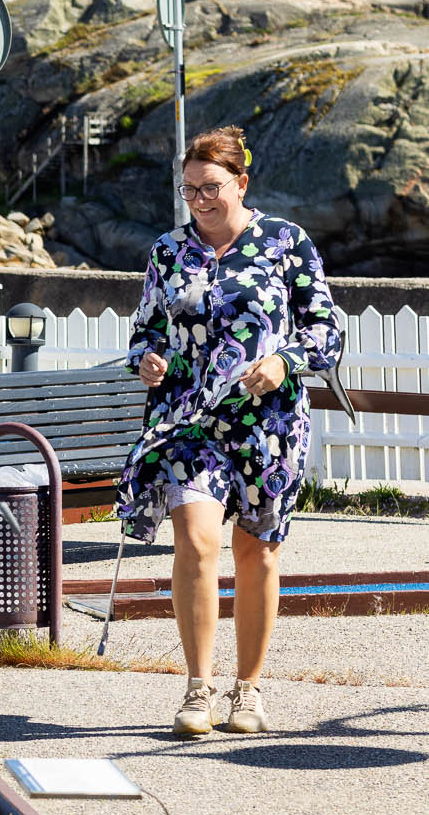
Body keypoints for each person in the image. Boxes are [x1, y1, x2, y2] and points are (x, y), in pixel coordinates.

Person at [117, 125, 341, 738]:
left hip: (267, 423)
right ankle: (198, 688)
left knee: (256, 551)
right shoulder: (167, 251)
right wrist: (146, 359)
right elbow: (146, 328)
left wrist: (284, 361)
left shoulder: (286, 242)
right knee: (194, 541)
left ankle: (249, 689)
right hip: (188, 421)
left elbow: (325, 330)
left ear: (242, 183)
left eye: (210, 187)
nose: (199, 201)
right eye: (189, 190)